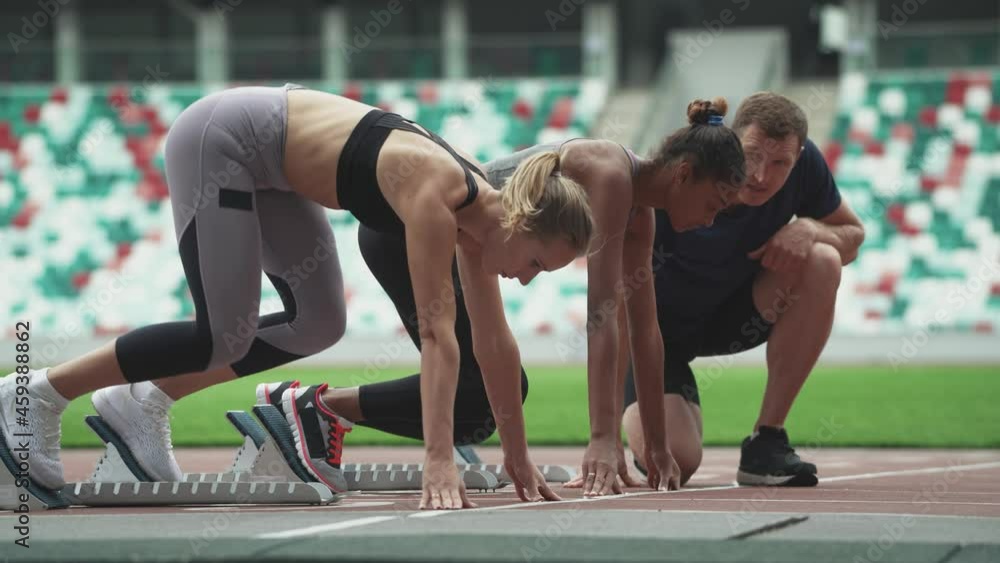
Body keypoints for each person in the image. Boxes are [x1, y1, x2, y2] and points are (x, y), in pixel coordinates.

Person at [0, 83, 594, 510]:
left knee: (318, 323)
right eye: (539, 263)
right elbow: (440, 339)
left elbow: (494, 344)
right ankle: (35, 393)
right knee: (221, 334)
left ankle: (143, 402)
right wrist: (437, 457)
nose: (530, 278)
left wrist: (516, 455)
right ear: (520, 219)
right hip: (223, 140)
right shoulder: (440, 194)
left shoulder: (479, 221)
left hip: (273, 168)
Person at [292, 98, 746, 497]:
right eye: (716, 204)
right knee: (479, 392)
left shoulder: (640, 213)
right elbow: (602, 318)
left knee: (481, 409)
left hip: (458, 242)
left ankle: (329, 410)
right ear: (684, 174)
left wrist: (660, 446)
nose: (711, 221)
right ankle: (317, 407)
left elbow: (645, 330)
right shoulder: (611, 176)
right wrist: (603, 439)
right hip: (408, 230)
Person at [620, 92, 865, 487]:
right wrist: (602, 440)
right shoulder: (683, 171)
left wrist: (810, 227)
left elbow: (853, 234)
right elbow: (615, 297)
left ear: (798, 157)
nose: (761, 175)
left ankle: (767, 440)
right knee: (678, 462)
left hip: (736, 315)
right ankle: (646, 423)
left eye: (780, 162)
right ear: (732, 143)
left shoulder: (807, 167)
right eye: (751, 155)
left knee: (824, 258)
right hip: (654, 333)